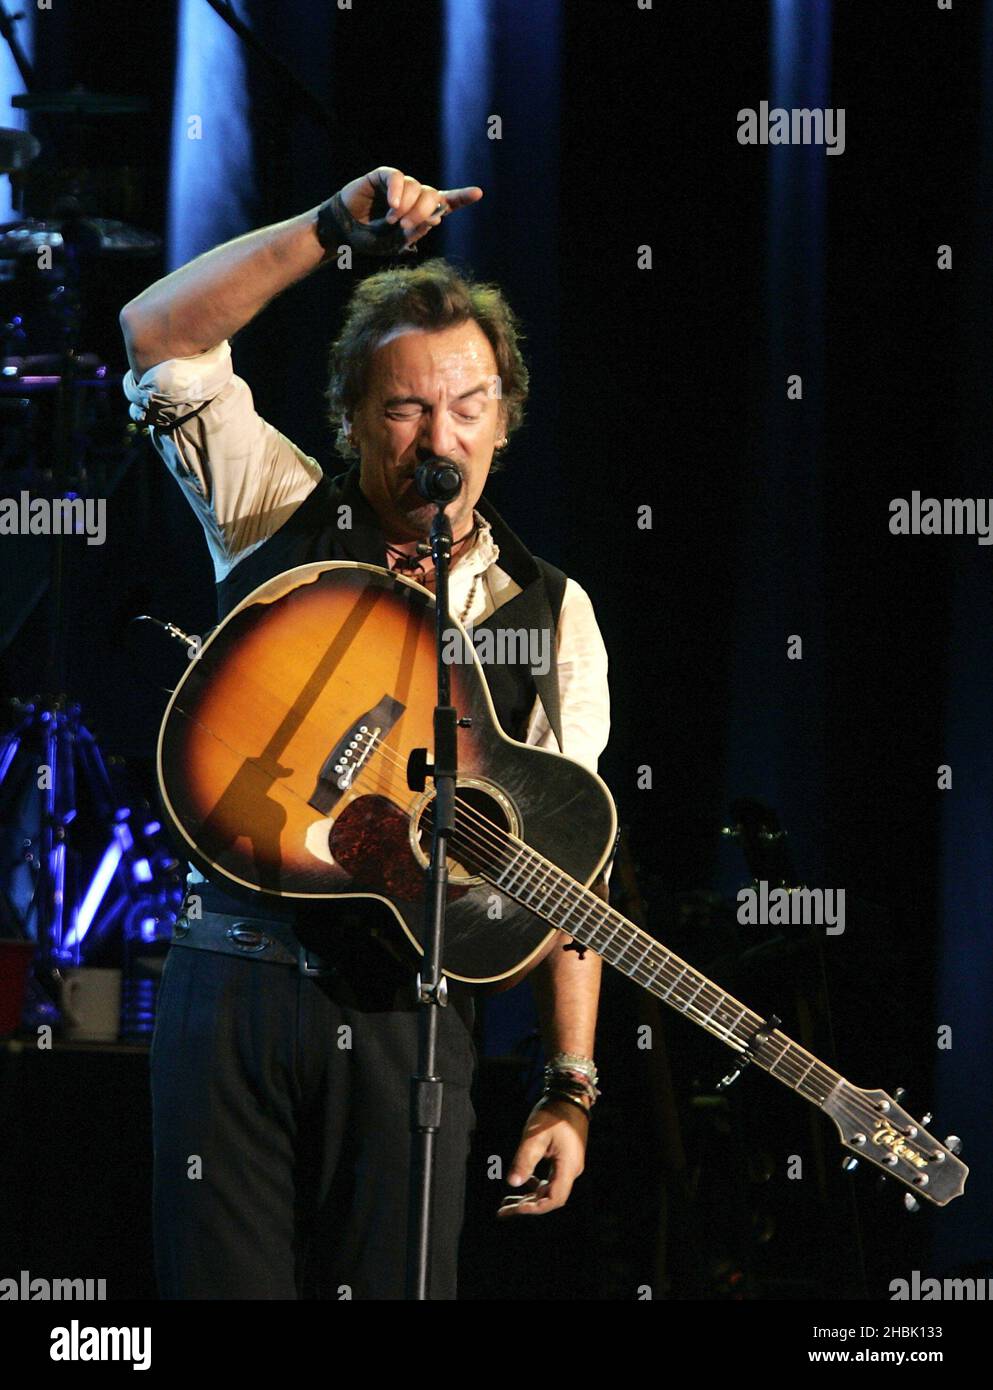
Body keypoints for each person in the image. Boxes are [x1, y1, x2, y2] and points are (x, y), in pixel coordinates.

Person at [119, 166, 611, 1300]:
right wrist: (331, 229)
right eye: (403, 407)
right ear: (352, 418)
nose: (438, 436)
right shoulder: (270, 503)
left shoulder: (552, 613)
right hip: (231, 991)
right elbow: (156, 334)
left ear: (505, 418)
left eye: (467, 405)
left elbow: (572, 873)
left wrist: (571, 1083)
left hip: (408, 1021)